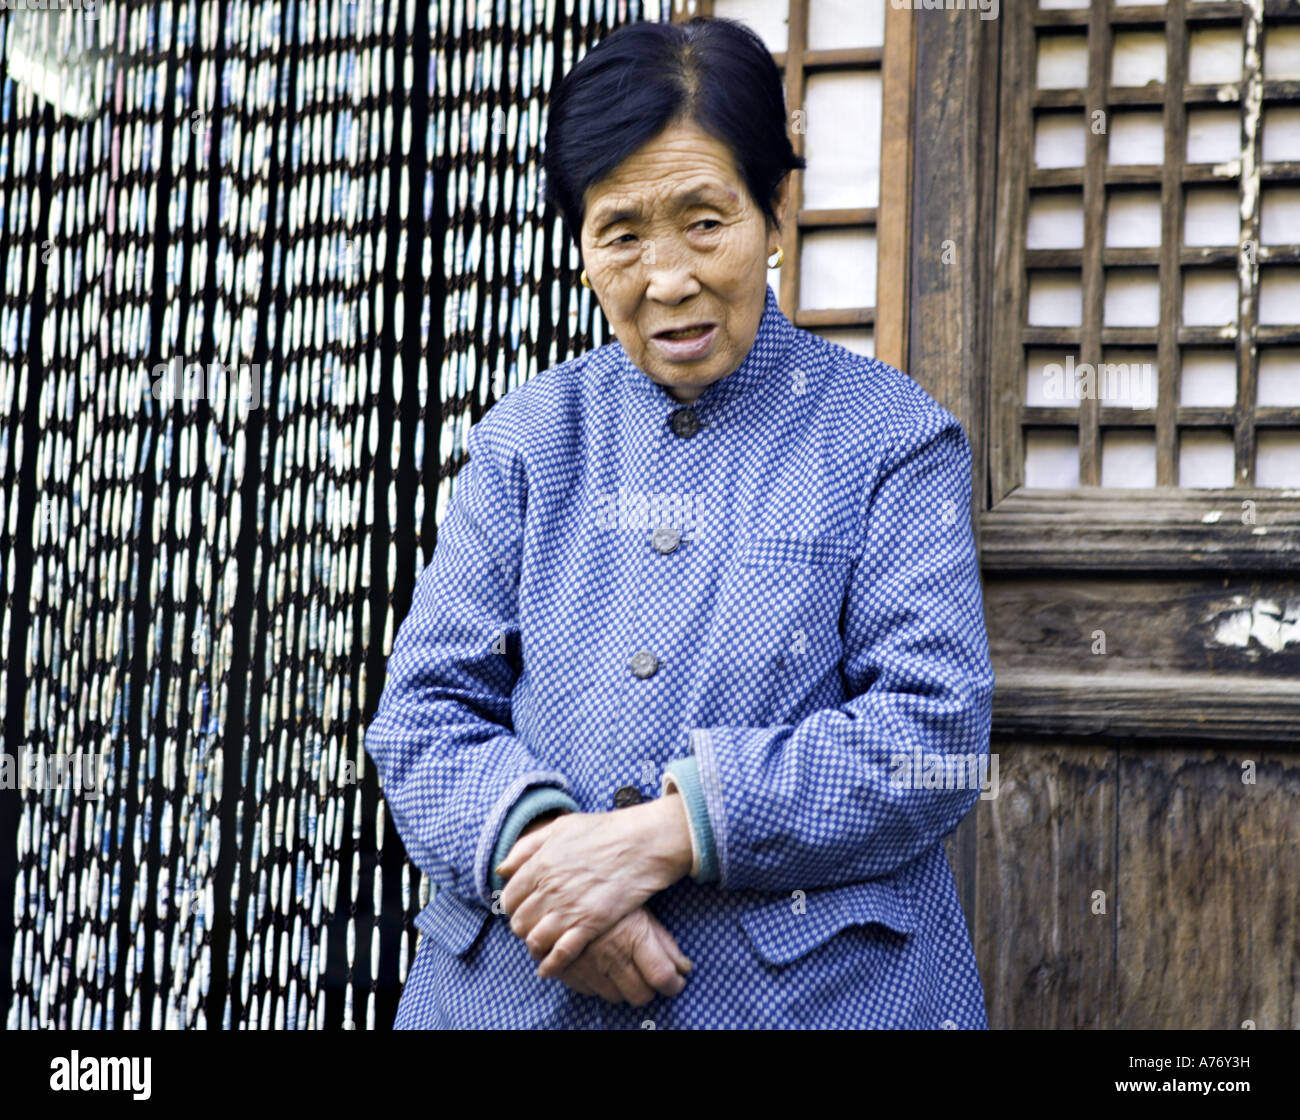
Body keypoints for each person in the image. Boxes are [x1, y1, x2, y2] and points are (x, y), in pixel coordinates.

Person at [364, 16, 995, 1029]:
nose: (666, 278)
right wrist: (558, 877)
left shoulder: (889, 439)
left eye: (705, 221)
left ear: (774, 214)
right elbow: (424, 718)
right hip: (526, 997)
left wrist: (670, 834)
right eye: (621, 232)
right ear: (581, 247)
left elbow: (935, 731)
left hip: (812, 1001)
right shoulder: (527, 440)